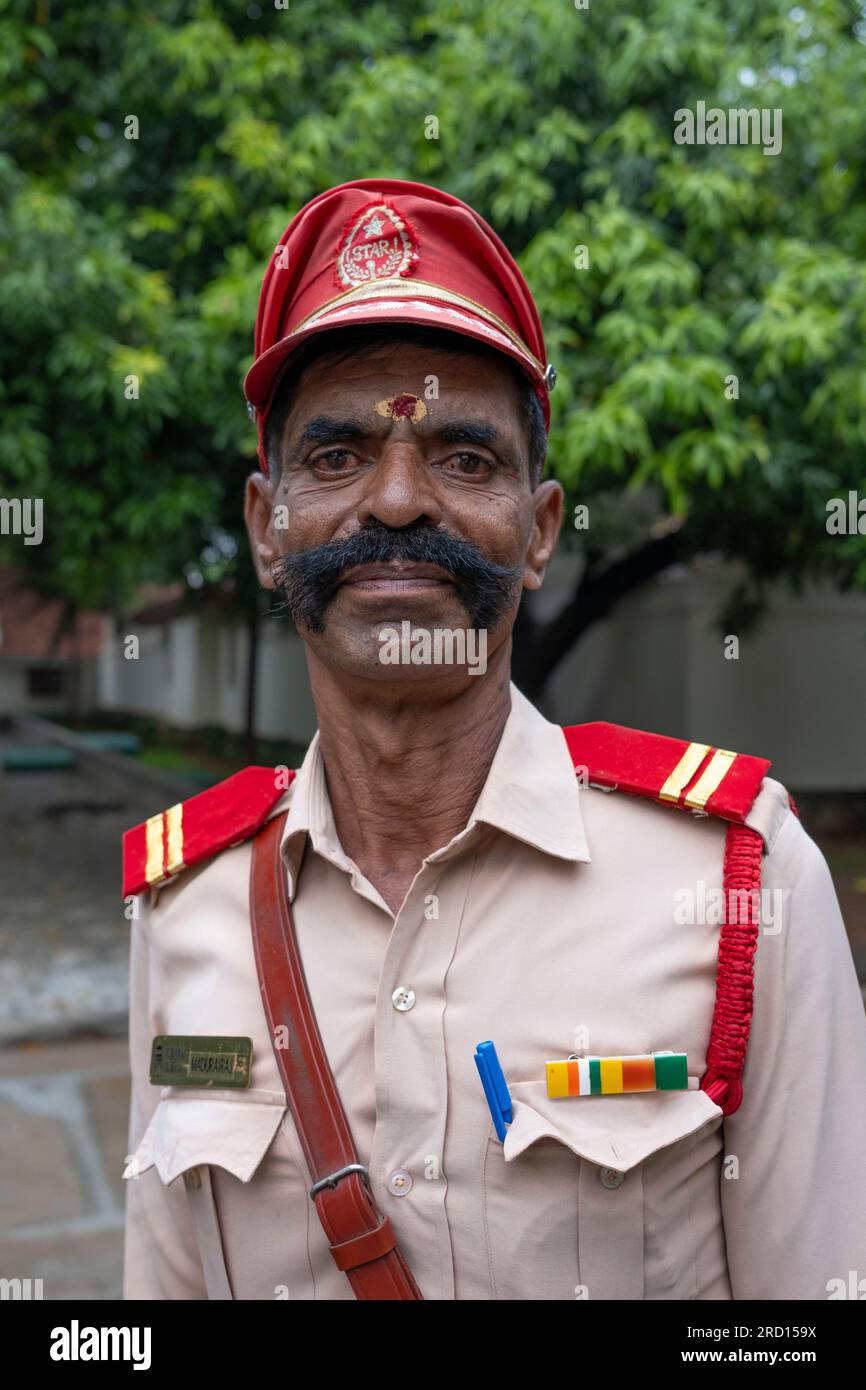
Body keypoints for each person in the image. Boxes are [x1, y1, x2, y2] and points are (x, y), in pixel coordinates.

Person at [122, 179, 866, 1301]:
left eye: (465, 459)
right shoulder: (186, 906)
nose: (398, 500)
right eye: (334, 458)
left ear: (538, 532)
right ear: (266, 531)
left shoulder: (741, 881)